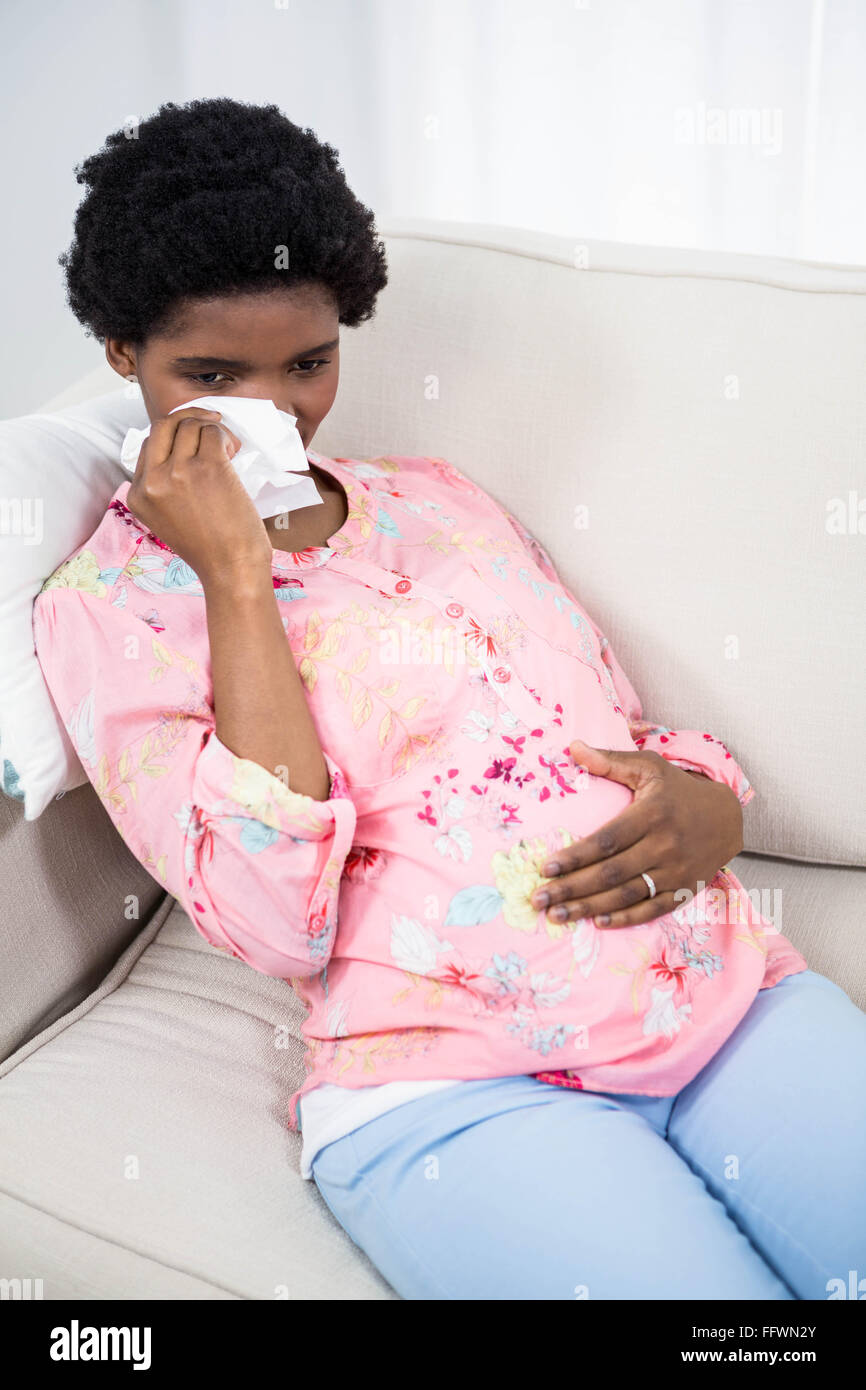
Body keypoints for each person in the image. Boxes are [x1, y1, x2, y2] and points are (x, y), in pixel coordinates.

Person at [33, 97, 866, 1300]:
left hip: (719, 992)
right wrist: (234, 574)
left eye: (308, 362)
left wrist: (709, 799)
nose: (272, 411)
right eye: (213, 374)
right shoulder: (106, 609)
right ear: (122, 355)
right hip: (450, 1084)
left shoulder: (438, 498)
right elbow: (274, 921)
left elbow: (609, 729)